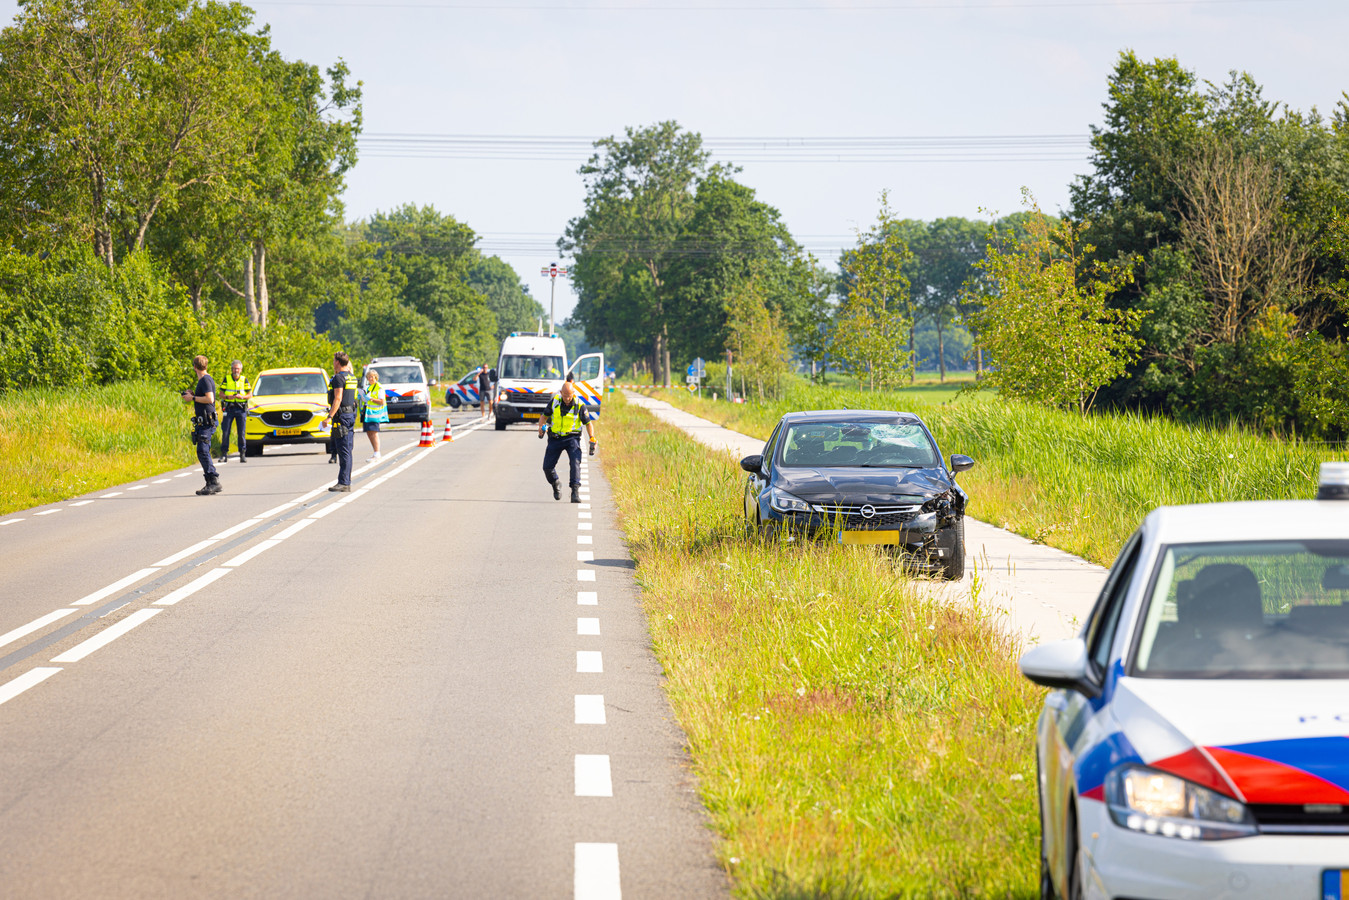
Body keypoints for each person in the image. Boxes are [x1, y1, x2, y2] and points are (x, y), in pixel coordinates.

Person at [538, 380, 597, 503]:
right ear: (561, 393)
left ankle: (575, 492)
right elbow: (544, 416)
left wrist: (592, 437)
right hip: (555, 438)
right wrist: (540, 428)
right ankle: (555, 483)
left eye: (569, 395)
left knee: (575, 462)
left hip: (572, 438)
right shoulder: (555, 402)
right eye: (565, 396)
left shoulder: (580, 405)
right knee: (547, 467)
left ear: (573, 393)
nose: (567, 398)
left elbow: (588, 423)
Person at [181, 355, 221, 496]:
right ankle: (211, 481)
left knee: (203, 450)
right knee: (202, 450)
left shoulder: (205, 380)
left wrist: (192, 398)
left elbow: (210, 399)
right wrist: (193, 394)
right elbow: (205, 396)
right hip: (204, 421)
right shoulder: (204, 380)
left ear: (194, 367)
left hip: (207, 422)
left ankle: (213, 482)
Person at [321, 352, 358, 492]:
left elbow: (338, 398)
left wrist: (329, 416)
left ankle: (344, 482)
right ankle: (345, 481)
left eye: (333, 360)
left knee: (343, 450)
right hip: (350, 414)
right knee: (347, 449)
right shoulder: (352, 377)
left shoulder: (338, 378)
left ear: (337, 362)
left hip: (341, 416)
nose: (333, 363)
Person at [217, 359, 251, 464]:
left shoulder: (244, 380)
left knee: (241, 432)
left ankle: (242, 454)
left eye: (238, 368)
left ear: (241, 370)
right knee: (226, 431)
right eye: (234, 368)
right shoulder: (227, 379)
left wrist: (242, 396)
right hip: (229, 408)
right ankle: (224, 454)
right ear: (231, 369)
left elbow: (250, 395)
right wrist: (228, 397)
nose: (236, 370)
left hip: (241, 409)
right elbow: (220, 394)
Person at [360, 367, 387, 461]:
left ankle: (377, 453)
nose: (370, 379)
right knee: (369, 432)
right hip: (368, 414)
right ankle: (375, 453)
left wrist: (371, 398)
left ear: (376, 377)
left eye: (372, 377)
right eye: (369, 377)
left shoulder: (379, 387)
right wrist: (362, 397)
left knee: (374, 433)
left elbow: (381, 401)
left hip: (375, 414)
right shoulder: (368, 388)